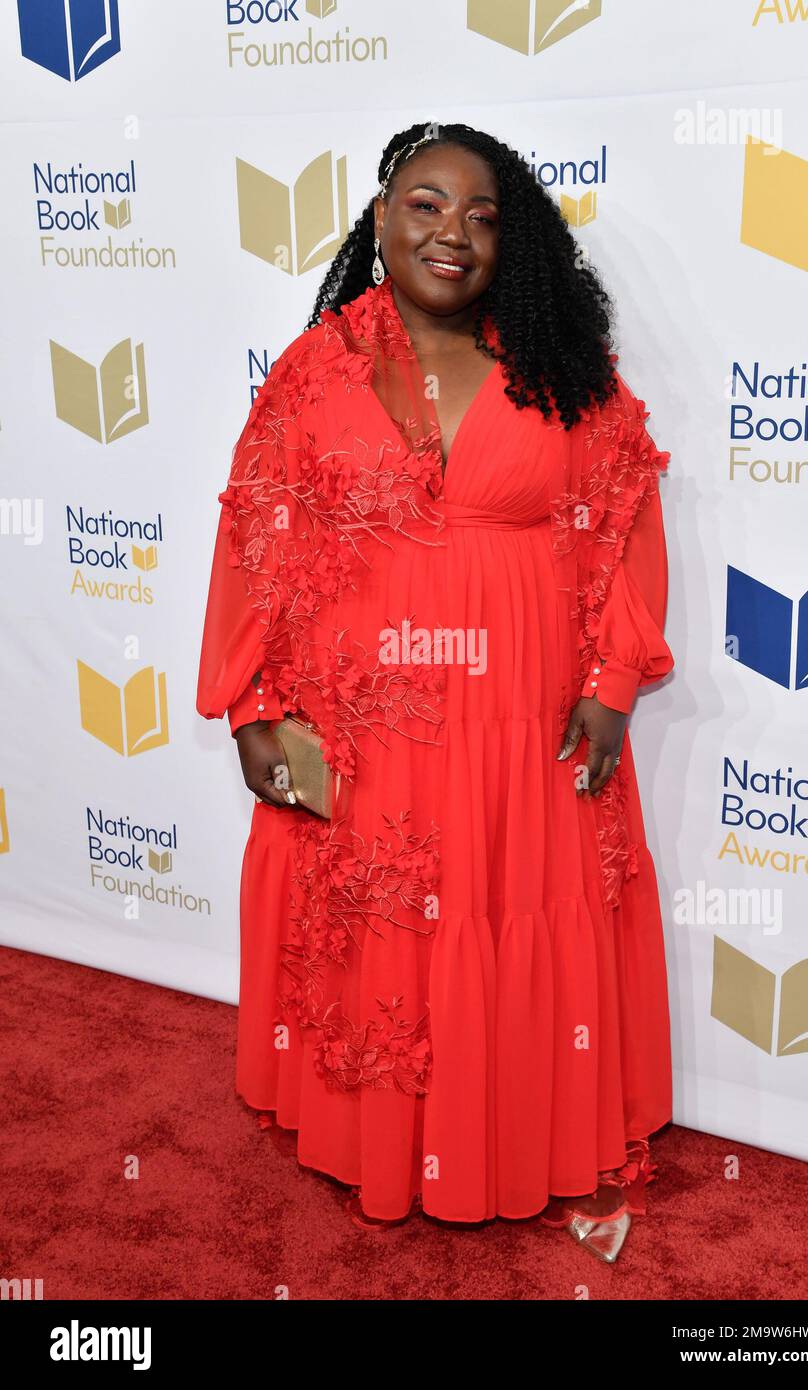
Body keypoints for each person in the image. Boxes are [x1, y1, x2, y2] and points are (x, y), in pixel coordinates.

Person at [196, 121, 674, 1251]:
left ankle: (510, 1138)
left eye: (482, 216)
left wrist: (612, 678)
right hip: (366, 726)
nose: (452, 232)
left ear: (512, 244)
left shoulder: (560, 369)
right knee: (385, 935)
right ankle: (380, 1142)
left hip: (523, 719)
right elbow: (256, 533)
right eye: (425, 204)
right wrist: (251, 704)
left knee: (510, 919)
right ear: (379, 218)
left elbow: (622, 518)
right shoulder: (314, 371)